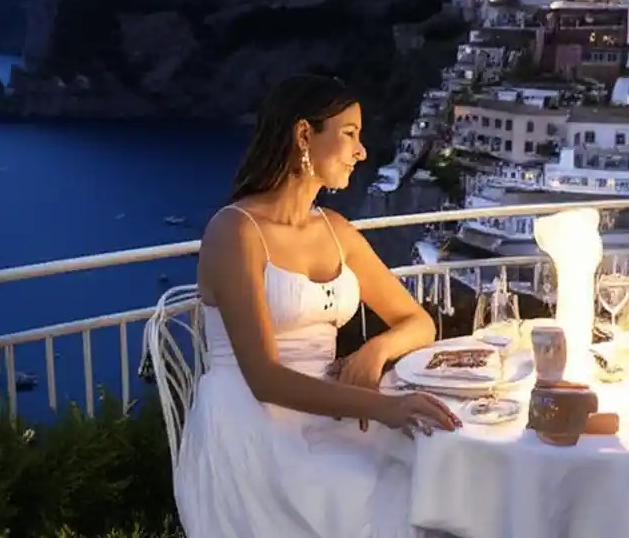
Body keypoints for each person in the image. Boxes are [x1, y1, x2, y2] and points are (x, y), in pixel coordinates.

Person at [173, 74, 461, 538]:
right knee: (384, 498)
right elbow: (264, 379)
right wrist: (385, 407)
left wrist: (374, 351)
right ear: (305, 135)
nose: (362, 151)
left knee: (438, 478)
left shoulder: (335, 229)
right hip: (254, 423)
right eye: (349, 134)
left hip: (332, 407)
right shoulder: (235, 232)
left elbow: (418, 322)